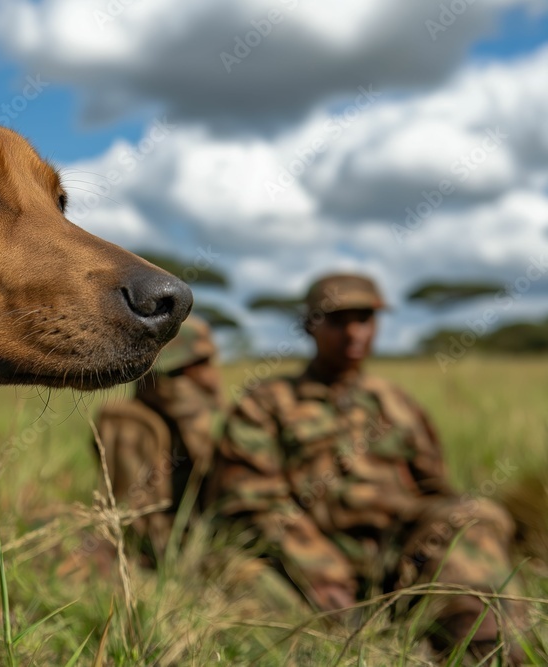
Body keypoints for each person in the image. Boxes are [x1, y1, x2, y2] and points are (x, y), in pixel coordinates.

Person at [208, 273, 527, 662]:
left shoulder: (395, 402)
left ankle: (486, 649)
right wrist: (320, 568)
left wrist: (450, 542)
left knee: (474, 520)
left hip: (401, 555)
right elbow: (252, 503)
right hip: (306, 562)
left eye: (365, 319)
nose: (355, 332)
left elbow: (435, 490)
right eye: (338, 321)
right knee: (241, 580)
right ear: (310, 326)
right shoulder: (266, 403)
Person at [94, 315, 224, 563]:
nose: (212, 376)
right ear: (184, 368)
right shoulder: (132, 425)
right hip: (160, 554)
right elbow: (137, 523)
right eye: (203, 363)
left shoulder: (199, 414)